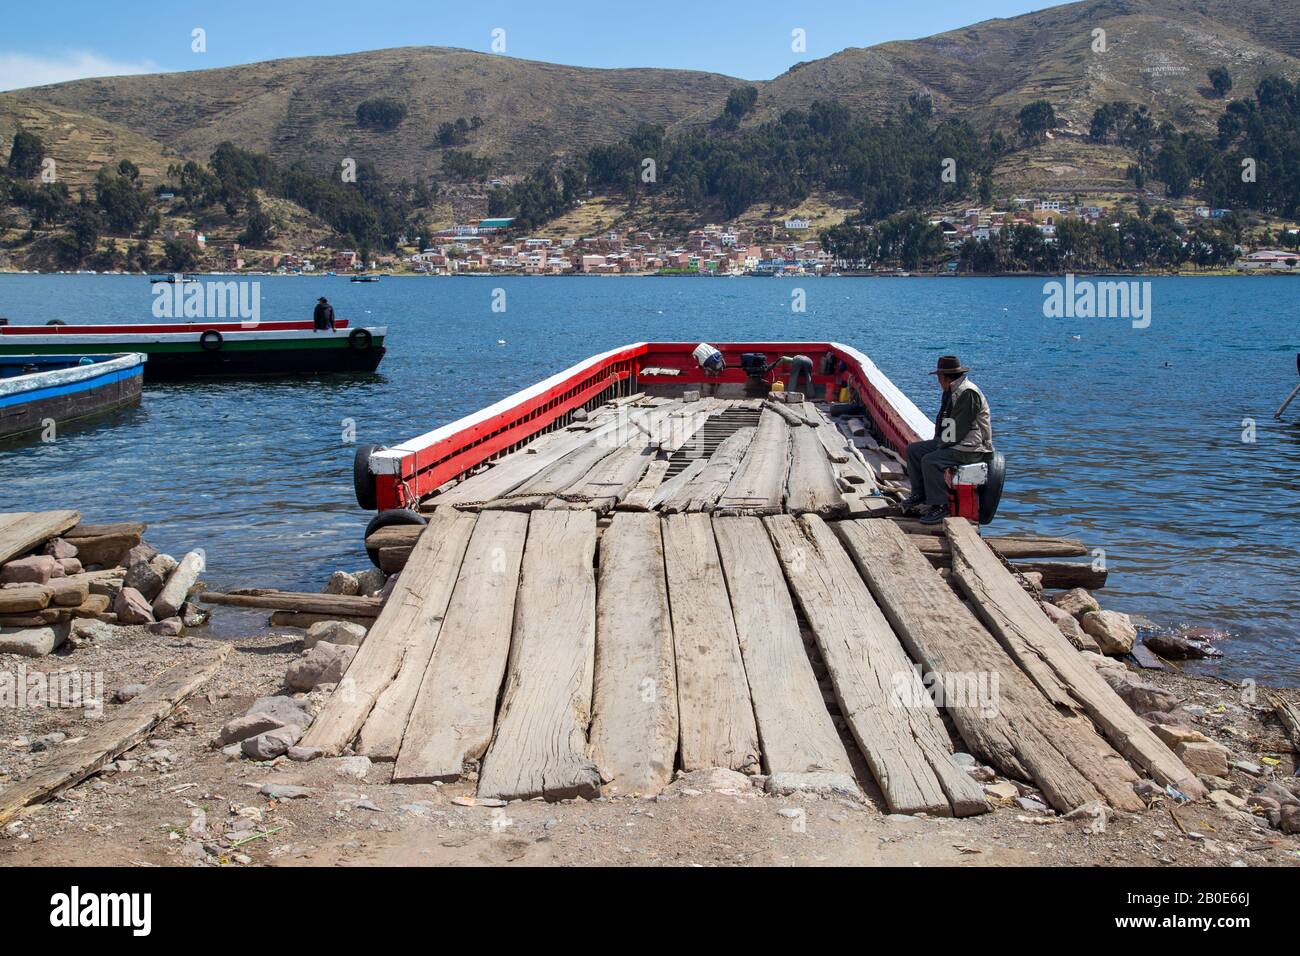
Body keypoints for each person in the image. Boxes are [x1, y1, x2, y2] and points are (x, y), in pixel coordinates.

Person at [898, 355, 994, 525]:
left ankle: (940, 506)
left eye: (938, 377)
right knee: (914, 450)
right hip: (955, 442)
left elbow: (958, 429)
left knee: (931, 461)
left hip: (971, 448)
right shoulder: (951, 391)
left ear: (943, 377)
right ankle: (920, 494)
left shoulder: (967, 393)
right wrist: (938, 442)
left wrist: (939, 446)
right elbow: (945, 424)